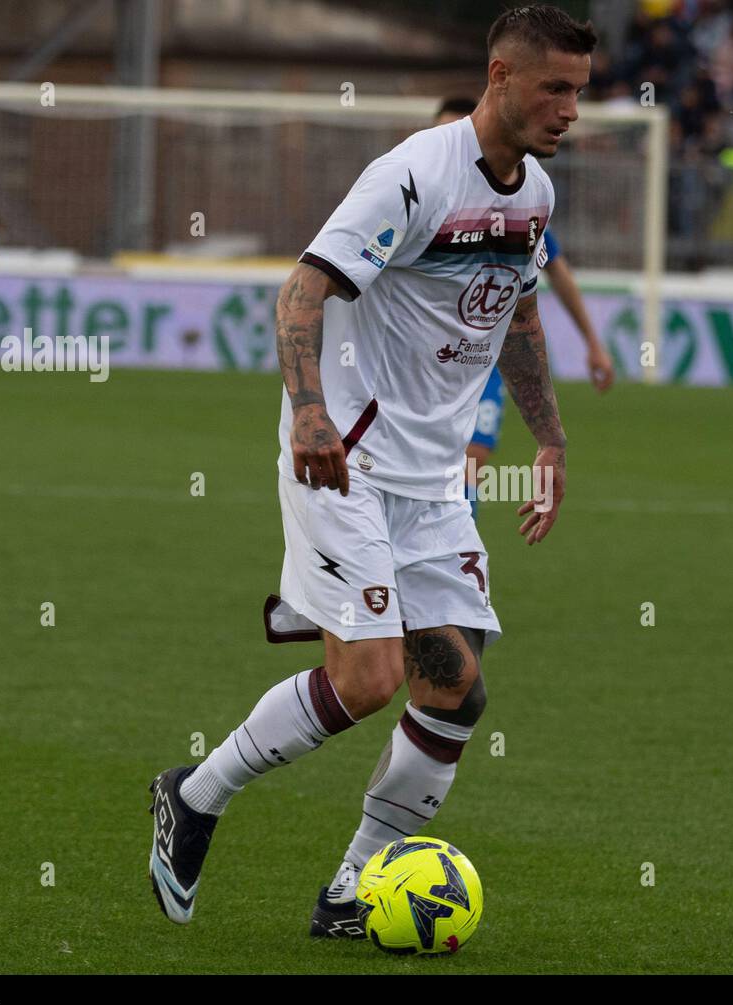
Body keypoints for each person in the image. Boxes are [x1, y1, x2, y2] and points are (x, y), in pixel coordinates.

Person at [148, 5, 589, 935]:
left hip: (432, 483)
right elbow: (303, 288)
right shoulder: (411, 175)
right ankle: (195, 791)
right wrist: (309, 410)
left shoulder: (536, 194)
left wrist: (548, 437)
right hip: (344, 459)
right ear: (500, 79)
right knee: (371, 677)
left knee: (457, 689)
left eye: (580, 91)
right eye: (555, 88)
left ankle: (351, 888)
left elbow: (517, 314)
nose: (571, 110)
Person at [433, 96, 613, 520]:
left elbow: (557, 274)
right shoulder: (422, 193)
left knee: (470, 465)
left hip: (483, 357)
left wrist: (592, 342)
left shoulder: (518, 203)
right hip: (424, 360)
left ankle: (455, 557)